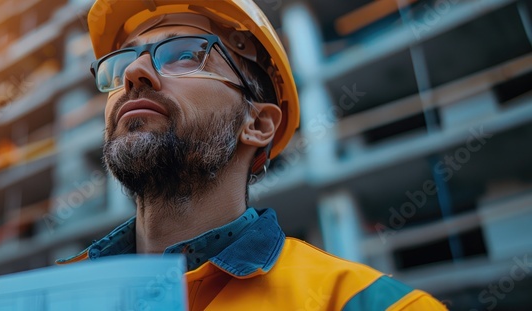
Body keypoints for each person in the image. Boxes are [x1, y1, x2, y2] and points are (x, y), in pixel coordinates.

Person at [56, 1, 447, 310]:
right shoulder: (54, 299)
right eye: (122, 61)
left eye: (184, 53)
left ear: (258, 125)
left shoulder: (364, 304)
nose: (134, 72)